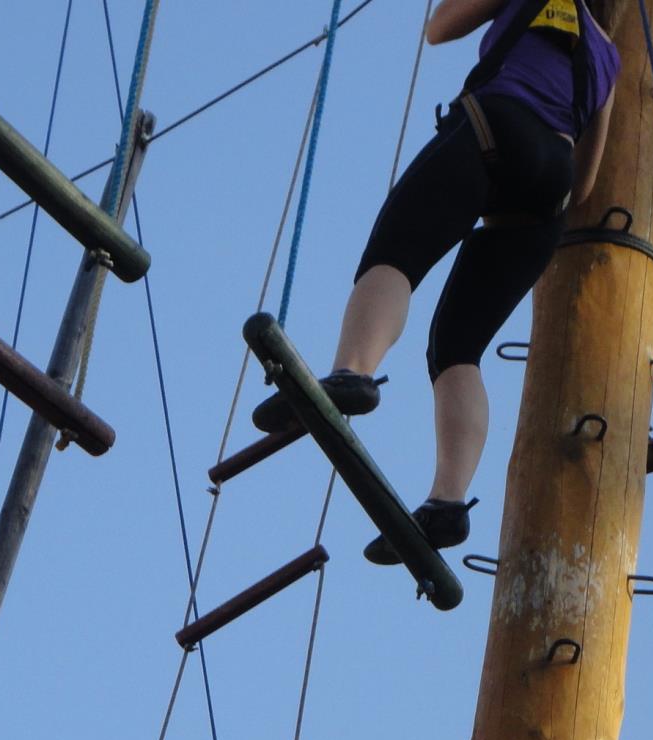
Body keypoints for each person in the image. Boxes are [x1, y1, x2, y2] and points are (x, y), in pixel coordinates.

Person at [254, 0, 622, 563]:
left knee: (395, 256)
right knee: (458, 347)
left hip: (495, 125)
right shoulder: (610, 56)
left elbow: (439, 28)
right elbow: (589, 183)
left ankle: (354, 372)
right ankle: (447, 502)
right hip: (551, 185)